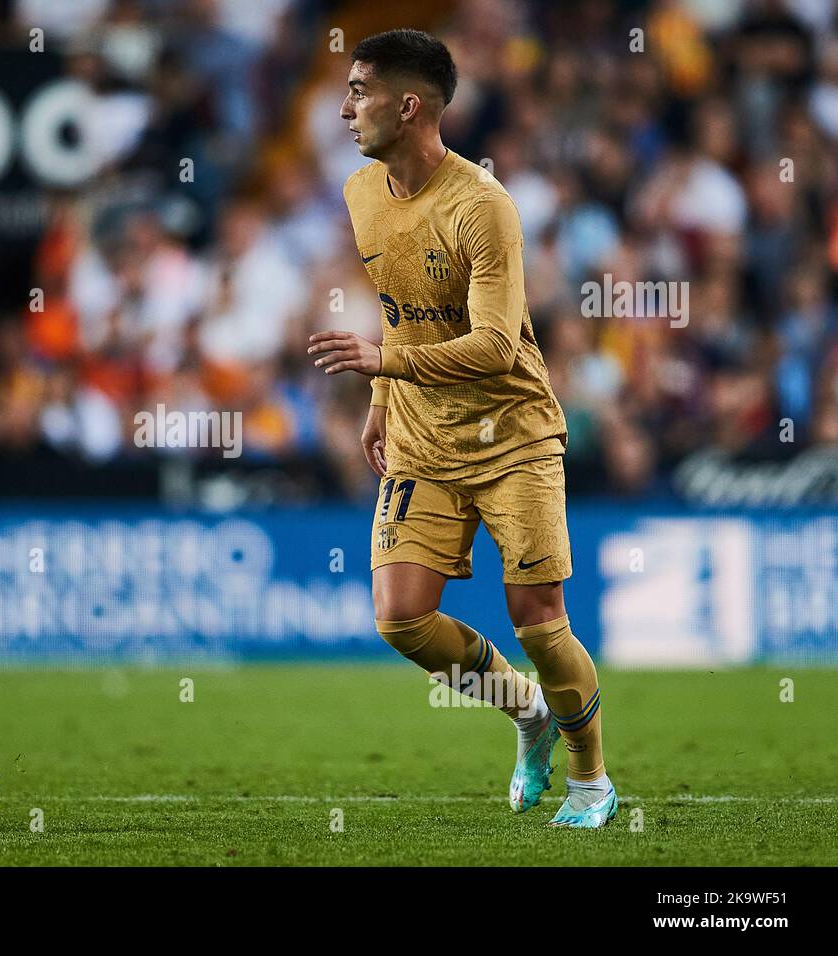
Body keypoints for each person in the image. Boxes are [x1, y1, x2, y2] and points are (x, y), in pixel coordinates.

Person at [308, 29, 615, 828]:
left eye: (359, 90)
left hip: (510, 433)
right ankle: (528, 716)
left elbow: (492, 345)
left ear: (408, 105)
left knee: (539, 622)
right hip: (420, 432)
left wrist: (382, 363)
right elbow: (401, 307)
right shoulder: (361, 192)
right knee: (401, 617)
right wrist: (382, 394)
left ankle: (592, 782)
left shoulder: (483, 206)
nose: (345, 108)